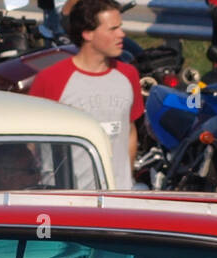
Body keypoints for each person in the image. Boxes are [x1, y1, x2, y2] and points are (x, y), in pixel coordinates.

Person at [29, 0, 143, 190]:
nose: (121, 34)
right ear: (87, 33)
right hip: (68, 202)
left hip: (119, 200)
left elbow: (129, 131)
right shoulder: (50, 79)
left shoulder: (128, 75)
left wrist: (126, 182)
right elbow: (30, 142)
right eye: (112, 29)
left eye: (120, 27)